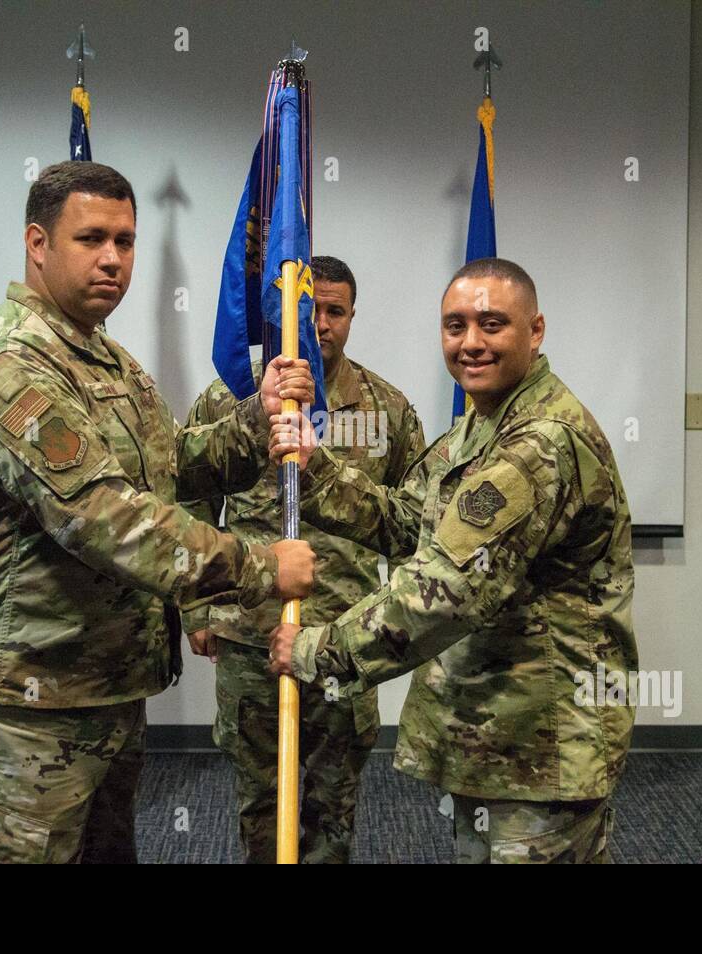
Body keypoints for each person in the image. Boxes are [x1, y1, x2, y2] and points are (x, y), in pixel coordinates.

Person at [0, 161, 316, 864]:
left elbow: (168, 466)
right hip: (12, 711)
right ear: (37, 244)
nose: (112, 259)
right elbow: (101, 516)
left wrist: (255, 421)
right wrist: (257, 568)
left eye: (126, 242)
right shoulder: (10, 367)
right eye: (91, 238)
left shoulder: (111, 364)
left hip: (100, 694)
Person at [268, 257, 637, 864]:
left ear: (535, 330)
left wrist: (316, 649)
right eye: (455, 325)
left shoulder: (538, 442)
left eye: (492, 325)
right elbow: (407, 523)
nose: (470, 343)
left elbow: (447, 589)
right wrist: (315, 469)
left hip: (542, 747)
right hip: (496, 737)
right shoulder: (478, 430)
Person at [182, 255, 425, 863]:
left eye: (334, 311)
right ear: (281, 314)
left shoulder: (385, 409)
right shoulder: (235, 396)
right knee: (261, 804)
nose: (319, 324)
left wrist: (401, 626)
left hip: (344, 636)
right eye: (306, 309)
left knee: (332, 807)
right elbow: (189, 500)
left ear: (351, 316)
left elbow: (413, 523)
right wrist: (195, 607)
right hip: (250, 634)